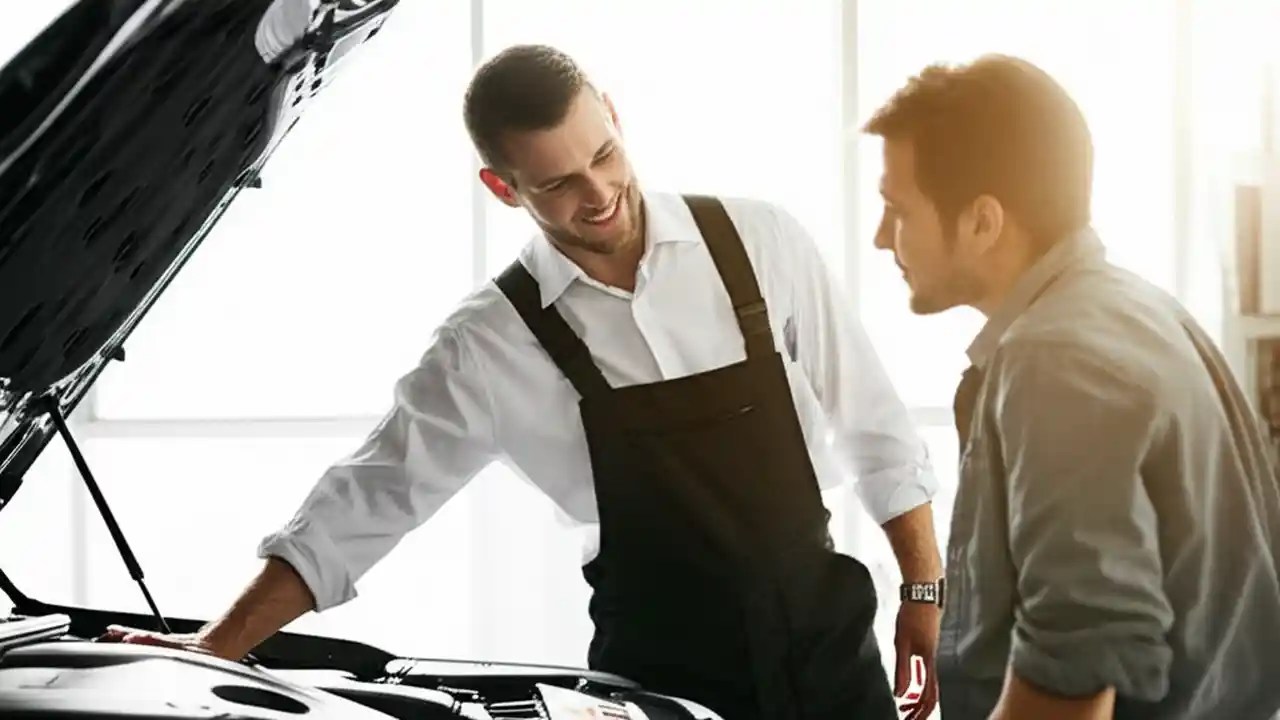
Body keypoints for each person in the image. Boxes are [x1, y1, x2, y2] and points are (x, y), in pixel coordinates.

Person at [103, 44, 948, 719]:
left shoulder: (760, 242)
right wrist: (213, 647)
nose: (601, 194)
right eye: (558, 183)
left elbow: (873, 427)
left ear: (615, 114)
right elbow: (360, 506)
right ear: (503, 189)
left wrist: (921, 590)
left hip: (833, 665)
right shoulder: (489, 344)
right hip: (662, 691)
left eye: (606, 155)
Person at [863, 52, 1280, 720]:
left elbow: (1075, 669)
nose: (883, 238)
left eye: (896, 210)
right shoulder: (1140, 309)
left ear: (982, 222)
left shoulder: (1055, 359)